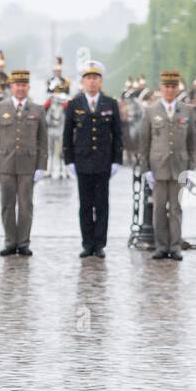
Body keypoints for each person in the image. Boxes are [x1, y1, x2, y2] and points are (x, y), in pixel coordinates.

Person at [62, 59, 123, 258]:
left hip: (103, 162)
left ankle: (99, 244)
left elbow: (117, 134)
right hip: (83, 162)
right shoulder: (74, 104)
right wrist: (69, 160)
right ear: (83, 82)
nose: (92, 82)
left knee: (102, 205)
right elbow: (67, 134)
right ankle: (87, 243)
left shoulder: (110, 104)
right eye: (88, 78)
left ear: (101, 81)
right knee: (85, 205)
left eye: (95, 78)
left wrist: (117, 160)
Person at [0, 69, 47, 256]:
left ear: (28, 87)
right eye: (17, 85)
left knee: (26, 205)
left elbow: (42, 141)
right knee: (7, 205)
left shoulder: (37, 110)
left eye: (23, 85)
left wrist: (42, 166)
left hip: (28, 165)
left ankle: (24, 242)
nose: (20, 88)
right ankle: (10, 241)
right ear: (11, 87)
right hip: (6, 164)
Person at [139, 70, 195, 261]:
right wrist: (145, 169)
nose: (170, 90)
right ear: (161, 88)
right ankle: (161, 246)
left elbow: (192, 142)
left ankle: (175, 246)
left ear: (178, 88)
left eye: (173, 86)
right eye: (167, 86)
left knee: (177, 209)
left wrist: (191, 167)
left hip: (179, 166)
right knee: (159, 209)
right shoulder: (151, 111)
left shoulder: (187, 111)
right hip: (158, 168)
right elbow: (144, 143)